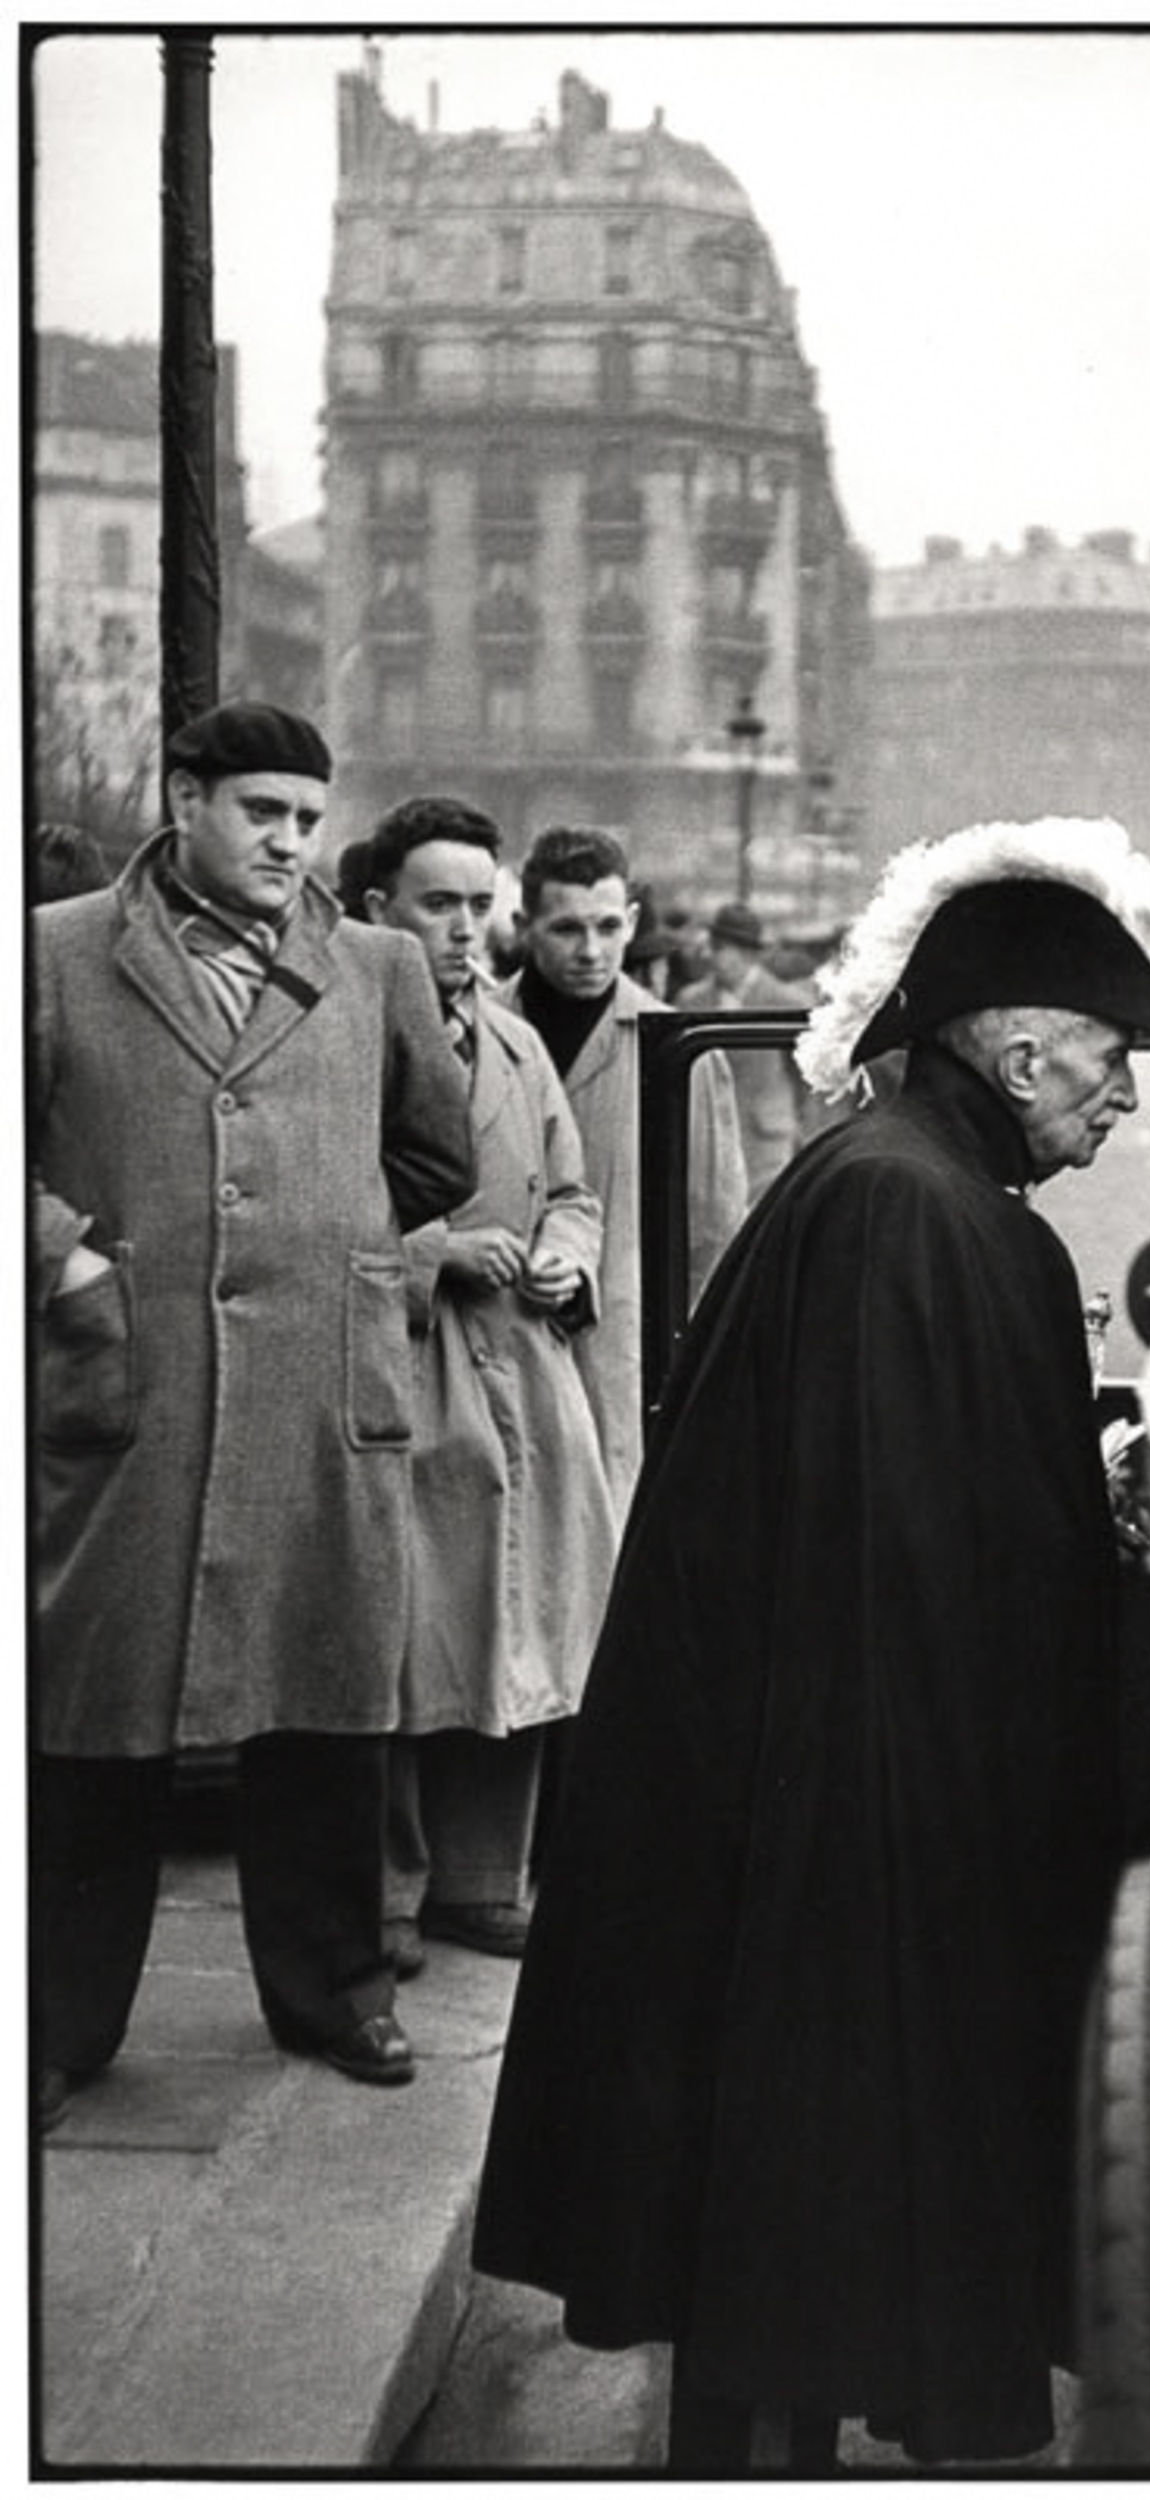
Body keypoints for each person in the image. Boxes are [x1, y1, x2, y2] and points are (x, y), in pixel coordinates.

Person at [472, 817, 1150, 2465]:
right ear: (1019, 1042)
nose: (1124, 1099)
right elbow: (952, 1568)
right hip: (868, 1817)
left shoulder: (892, 1182)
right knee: (839, 2180)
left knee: (767, 2231)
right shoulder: (931, 1214)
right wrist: (1143, 1579)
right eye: (1110, 1062)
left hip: (802, 1783)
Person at [30, 700, 473, 2122]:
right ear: (184, 799)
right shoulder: (53, 952)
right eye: (259, 812)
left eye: (305, 816)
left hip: (315, 1387)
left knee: (328, 1695)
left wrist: (325, 1243)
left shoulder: (376, 964)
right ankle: (51, 2023)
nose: (290, 841)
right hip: (126, 1379)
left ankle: (340, 1991)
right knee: (92, 1709)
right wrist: (66, 1253)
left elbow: (433, 1155)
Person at [360, 797, 618, 1967]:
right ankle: (387, 1889)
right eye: (437, 904)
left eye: (479, 905)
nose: (466, 930)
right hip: (404, 1369)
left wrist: (566, 1254)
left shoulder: (512, 1043)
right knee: (406, 1635)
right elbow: (309, 1212)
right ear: (379, 911)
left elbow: (570, 1187)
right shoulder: (340, 1037)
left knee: (523, 1615)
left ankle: (479, 1878)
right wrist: (432, 1254)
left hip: (522, 1361)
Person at [504, 825, 746, 1527]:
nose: (590, 950)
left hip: (626, 1361)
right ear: (525, 927)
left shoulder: (678, 1048)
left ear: (632, 923)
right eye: (566, 928)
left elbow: (714, 1233)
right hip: (498, 1343)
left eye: (608, 927)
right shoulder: (473, 1032)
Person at [673, 899, 813, 1202]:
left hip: (766, 1141)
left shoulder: (787, 1002)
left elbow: (807, 1076)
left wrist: (796, 1120)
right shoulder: (690, 1001)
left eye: (721, 947)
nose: (710, 955)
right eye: (712, 945)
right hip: (708, 1138)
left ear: (747, 953)